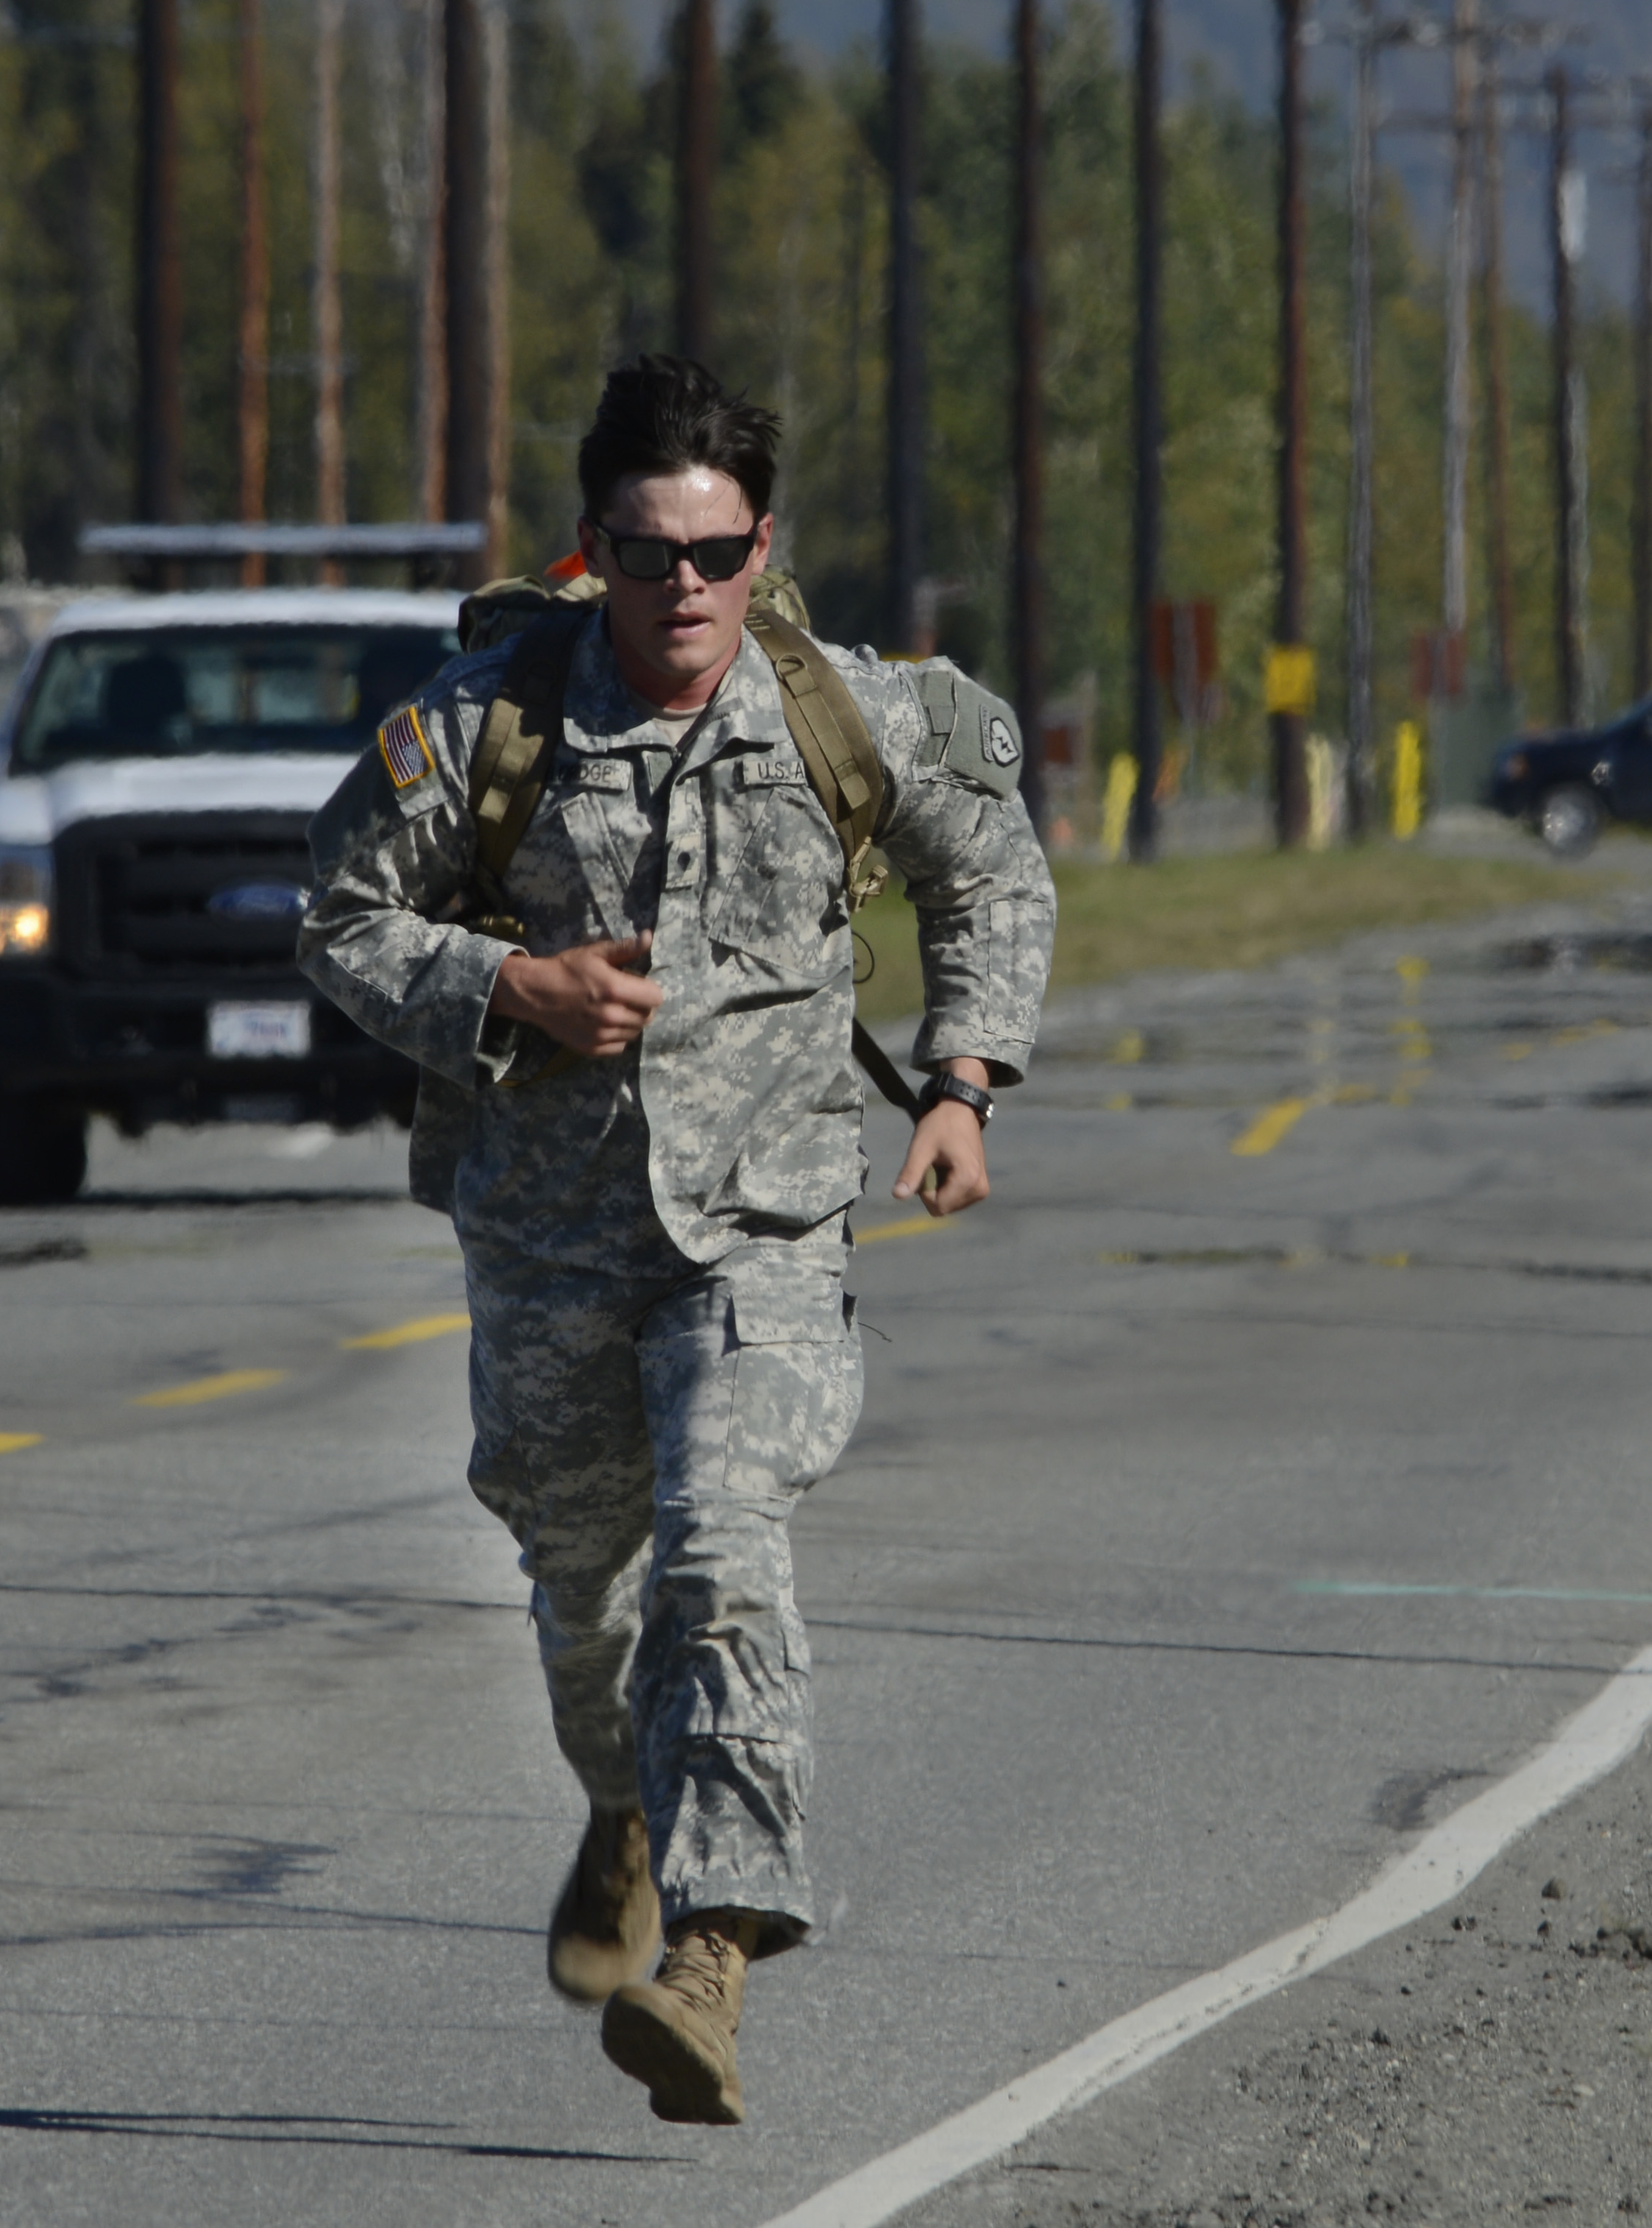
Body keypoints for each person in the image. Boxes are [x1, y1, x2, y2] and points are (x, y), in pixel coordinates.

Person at [298, 354, 1055, 2125]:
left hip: (767, 1230)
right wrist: (513, 984)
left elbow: (989, 862)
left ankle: (712, 1950)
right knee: (587, 1601)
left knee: (723, 1538)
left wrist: (962, 1079)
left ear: (760, 545)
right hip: (550, 1246)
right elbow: (338, 913)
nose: (686, 590)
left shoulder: (838, 711)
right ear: (594, 550)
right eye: (649, 556)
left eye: (718, 554)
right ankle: (627, 1813)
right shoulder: (492, 727)